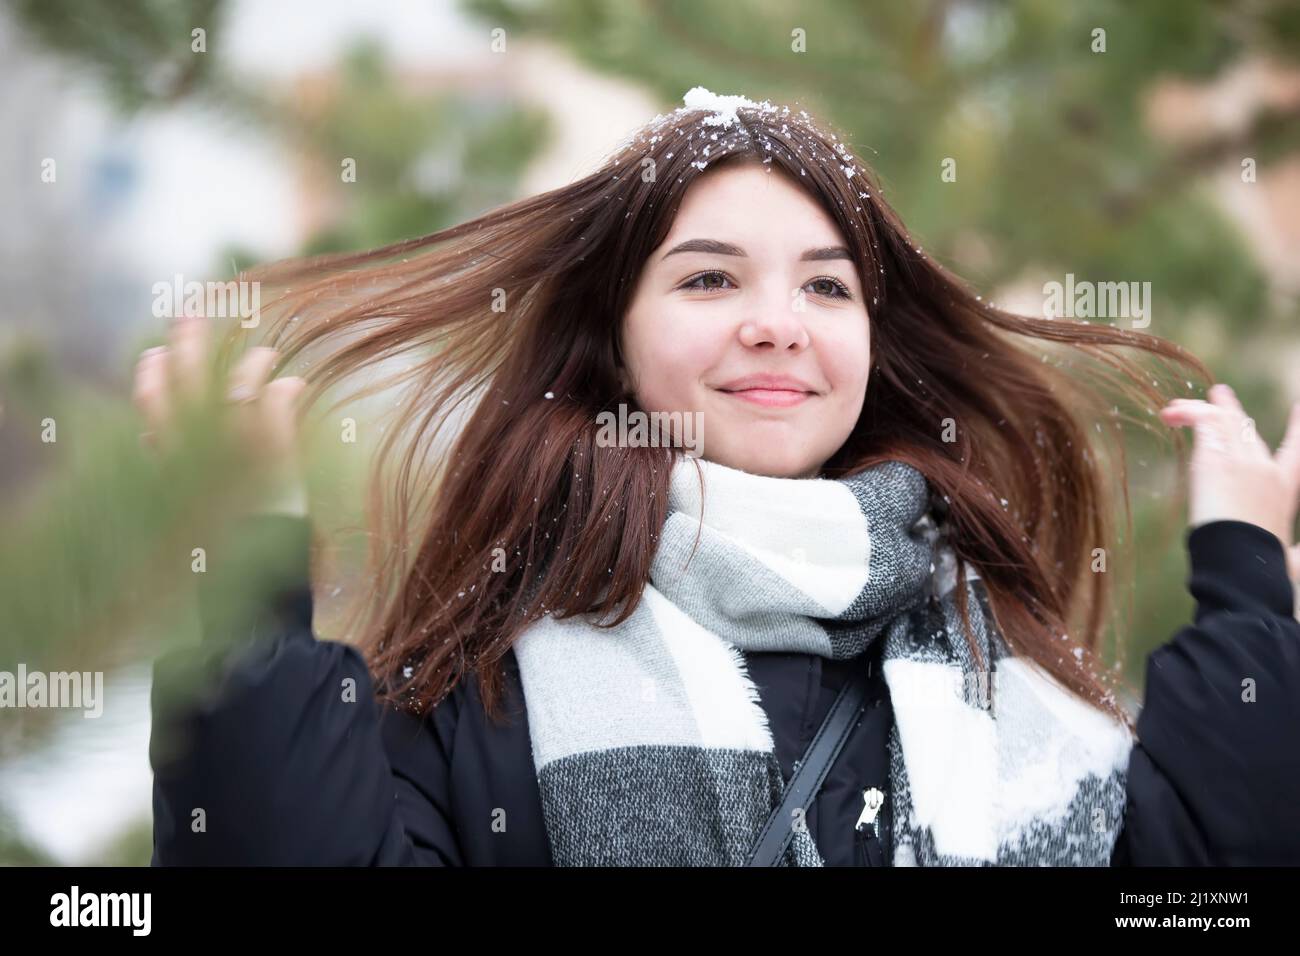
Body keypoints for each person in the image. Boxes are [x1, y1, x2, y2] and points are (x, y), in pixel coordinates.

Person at [139, 89, 1300, 866]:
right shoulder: (483, 694)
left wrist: (1248, 578)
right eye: (707, 281)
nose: (777, 325)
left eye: (827, 287)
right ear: (613, 344)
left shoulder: (1003, 664)